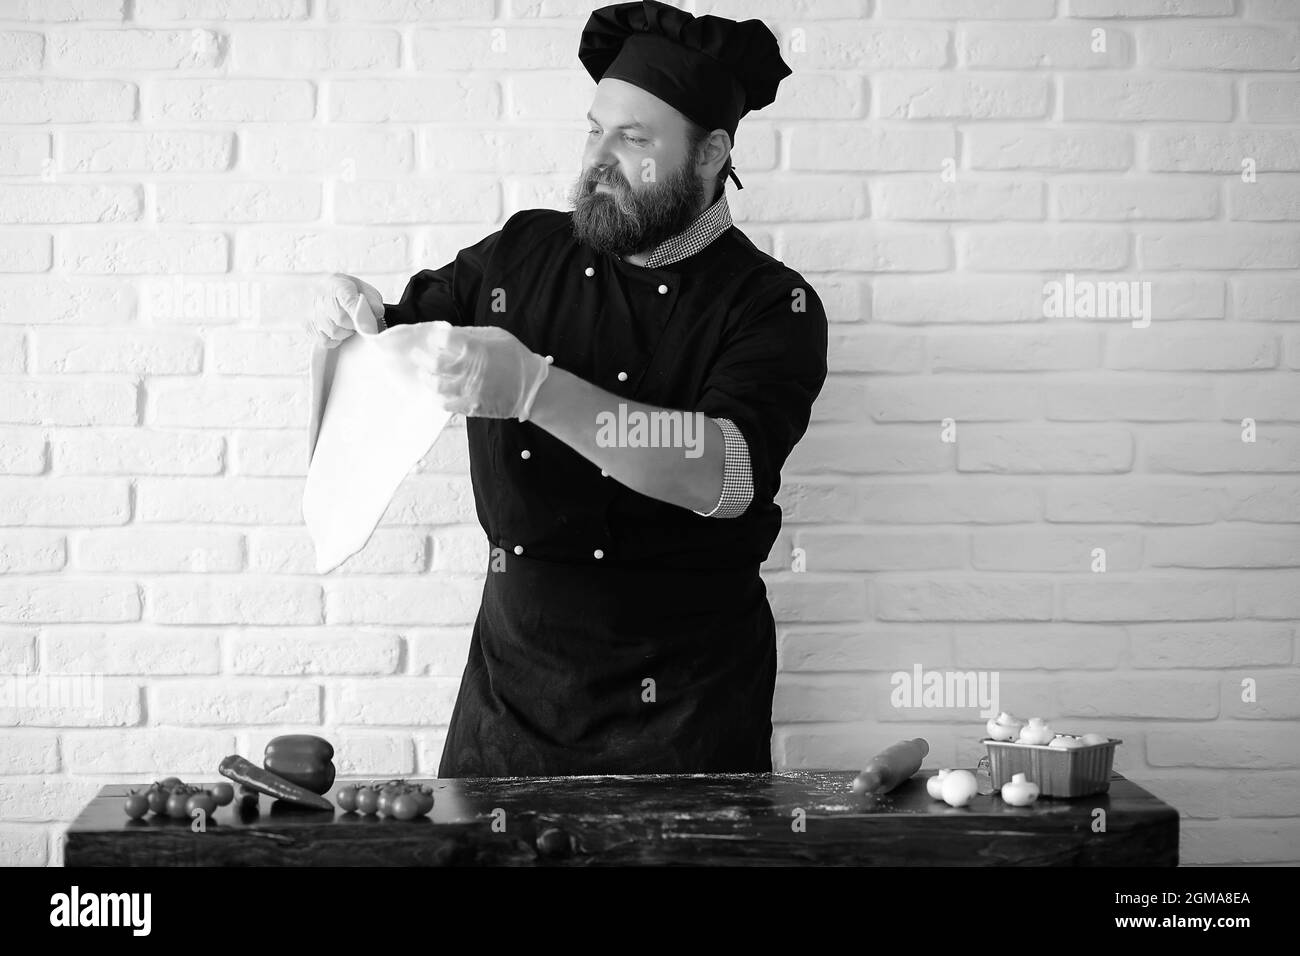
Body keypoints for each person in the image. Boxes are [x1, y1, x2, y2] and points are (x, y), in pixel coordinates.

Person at [311, 1, 827, 776]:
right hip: (512, 692)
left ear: (713, 152)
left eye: (634, 138)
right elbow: (390, 340)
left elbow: (724, 474)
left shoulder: (770, 305)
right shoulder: (520, 253)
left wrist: (533, 388)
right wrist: (351, 318)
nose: (596, 160)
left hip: (687, 708)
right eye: (594, 129)